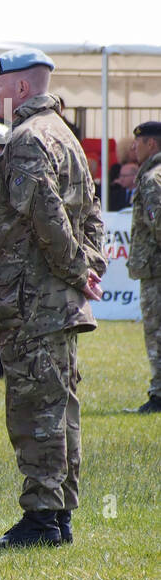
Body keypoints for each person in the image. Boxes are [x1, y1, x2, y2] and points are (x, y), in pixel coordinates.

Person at [0, 48, 105, 549]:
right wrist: (89, 267)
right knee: (59, 405)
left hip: (35, 298)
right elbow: (92, 212)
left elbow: (47, 218)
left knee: (37, 411)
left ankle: (42, 519)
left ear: (21, 88)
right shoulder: (65, 135)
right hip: (55, 296)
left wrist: (77, 269)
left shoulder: (28, 139)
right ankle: (57, 515)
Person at [127, 121, 161, 413]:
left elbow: (158, 222)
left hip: (156, 270)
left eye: (138, 142)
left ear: (152, 144)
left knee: (157, 331)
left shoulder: (152, 178)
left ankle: (159, 395)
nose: (132, 147)